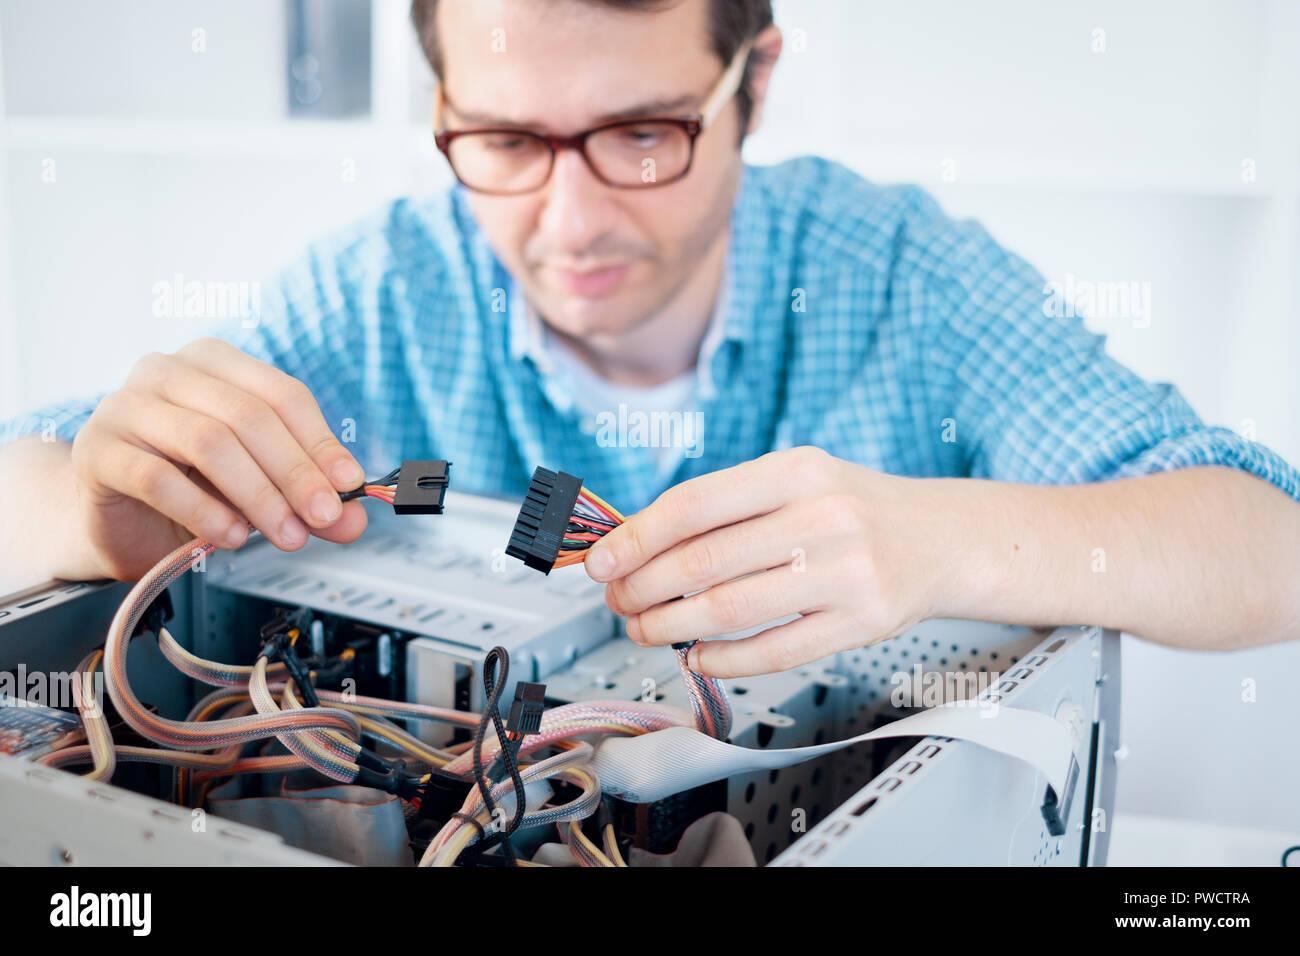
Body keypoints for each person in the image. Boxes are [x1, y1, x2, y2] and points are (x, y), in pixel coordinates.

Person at [1, 0, 1297, 679]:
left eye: (640, 135)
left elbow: (1270, 541)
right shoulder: (379, 292)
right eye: (504, 142)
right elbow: (26, 492)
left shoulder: (907, 278)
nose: (569, 224)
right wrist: (89, 520)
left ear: (758, 80)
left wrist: (942, 538)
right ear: (446, 105)